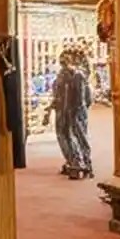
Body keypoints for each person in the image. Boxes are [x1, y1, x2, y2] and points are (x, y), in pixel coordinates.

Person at [43, 49, 93, 179]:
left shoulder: (75, 75)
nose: (63, 63)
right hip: (67, 111)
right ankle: (78, 162)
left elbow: (82, 98)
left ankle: (79, 163)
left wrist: (74, 111)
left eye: (65, 60)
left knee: (74, 137)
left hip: (72, 111)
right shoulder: (68, 75)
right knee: (70, 137)